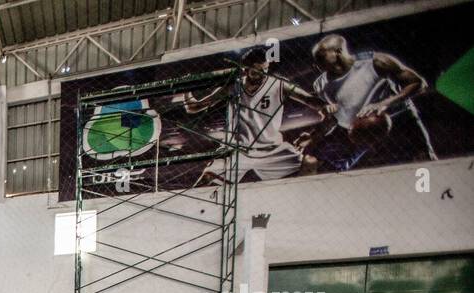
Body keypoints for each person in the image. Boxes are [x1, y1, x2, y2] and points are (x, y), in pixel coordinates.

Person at [184, 46, 326, 182]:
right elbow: (193, 107)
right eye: (256, 71)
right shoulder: (232, 87)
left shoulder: (278, 85)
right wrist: (186, 89)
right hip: (237, 150)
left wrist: (327, 105)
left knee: (310, 165)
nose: (262, 74)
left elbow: (309, 99)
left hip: (271, 150)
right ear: (245, 69)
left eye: (265, 69)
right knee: (206, 180)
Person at [302, 33, 435, 172]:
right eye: (316, 58)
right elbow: (333, 118)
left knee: (425, 162)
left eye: (321, 55)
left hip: (398, 117)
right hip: (357, 130)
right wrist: (313, 136)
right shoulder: (320, 85)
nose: (317, 61)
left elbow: (418, 83)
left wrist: (384, 103)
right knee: (325, 168)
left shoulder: (376, 62)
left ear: (338, 51)